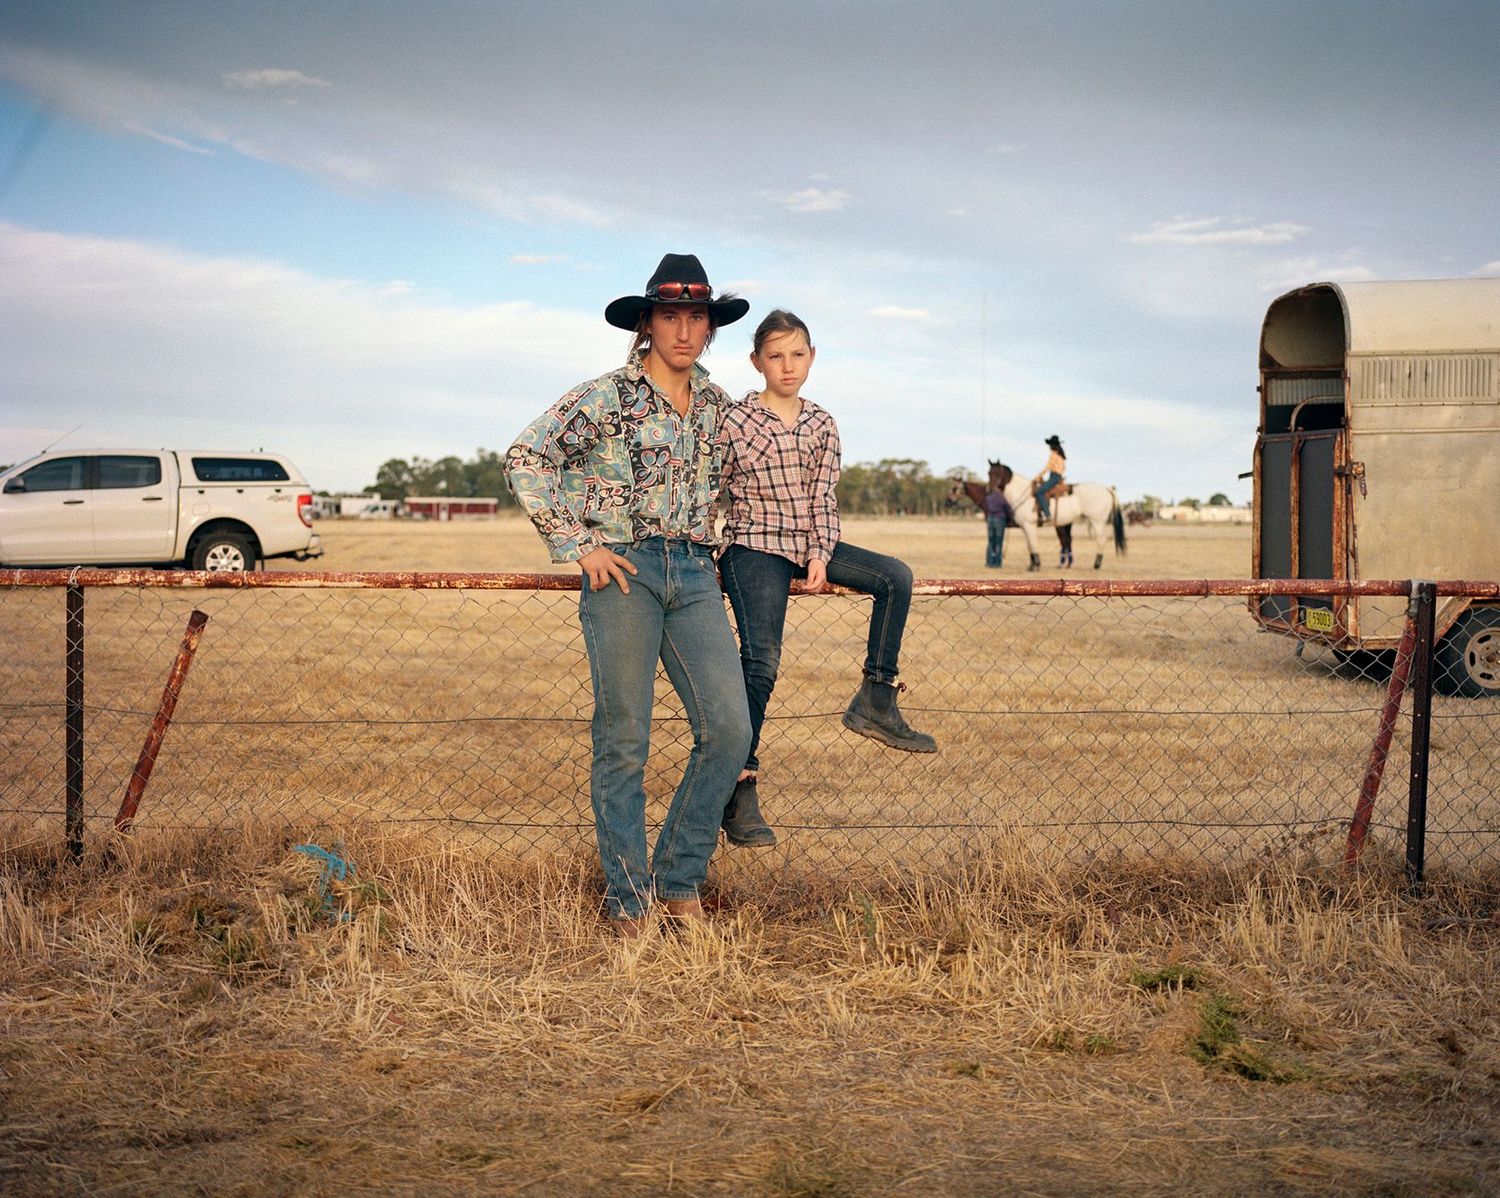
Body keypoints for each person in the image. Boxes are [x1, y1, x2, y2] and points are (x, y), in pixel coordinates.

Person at [504, 253, 753, 937]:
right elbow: (526, 458)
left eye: (696, 317)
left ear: (709, 328)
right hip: (624, 574)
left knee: (730, 729)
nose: (684, 330)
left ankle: (677, 882)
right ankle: (627, 902)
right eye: (670, 316)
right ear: (647, 324)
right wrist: (577, 543)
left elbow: (747, 487)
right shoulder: (605, 396)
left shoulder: (719, 406)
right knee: (624, 741)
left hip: (698, 574)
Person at [716, 309, 937, 849]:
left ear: (812, 358)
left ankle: (876, 699)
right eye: (775, 356)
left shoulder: (822, 424)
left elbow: (823, 499)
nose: (787, 366)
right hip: (755, 545)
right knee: (762, 660)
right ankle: (738, 785)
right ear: (756, 362)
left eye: (797, 354)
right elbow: (713, 489)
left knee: (894, 578)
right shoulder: (734, 422)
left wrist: (820, 552)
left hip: (809, 543)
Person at [1033, 435, 1067, 524]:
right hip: (1058, 476)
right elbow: (1063, 468)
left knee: (1039, 492)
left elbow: (1047, 467)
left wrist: (1037, 477)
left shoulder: (1053, 455)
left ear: (1052, 446)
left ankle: (1047, 514)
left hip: (1054, 477)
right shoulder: (1061, 456)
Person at [982, 480, 1012, 567]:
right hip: (999, 520)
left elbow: (986, 509)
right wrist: (1009, 519)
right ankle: (997, 563)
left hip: (990, 520)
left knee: (991, 542)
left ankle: (989, 562)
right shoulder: (1001, 498)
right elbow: (1008, 509)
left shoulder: (988, 498)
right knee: (998, 542)